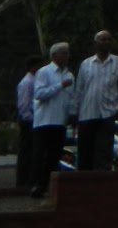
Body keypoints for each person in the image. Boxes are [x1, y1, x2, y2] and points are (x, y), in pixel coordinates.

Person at [75, 29, 118, 170]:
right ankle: (84, 181)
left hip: (107, 112)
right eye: (103, 39)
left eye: (109, 39)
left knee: (104, 150)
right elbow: (79, 89)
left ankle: (102, 180)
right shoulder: (86, 64)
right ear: (96, 43)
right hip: (87, 113)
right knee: (85, 150)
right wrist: (74, 112)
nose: (106, 42)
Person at [30, 42, 73, 199]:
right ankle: (36, 184)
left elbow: (70, 99)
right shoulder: (44, 72)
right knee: (40, 154)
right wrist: (59, 86)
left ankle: (48, 185)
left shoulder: (69, 75)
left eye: (68, 53)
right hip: (44, 121)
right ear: (55, 55)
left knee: (54, 156)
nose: (67, 56)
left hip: (60, 121)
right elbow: (39, 94)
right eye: (64, 53)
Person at [14, 56, 39, 189]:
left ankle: (28, 177)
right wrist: (29, 118)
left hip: (32, 120)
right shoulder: (27, 82)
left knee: (31, 150)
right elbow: (24, 104)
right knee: (26, 150)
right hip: (28, 121)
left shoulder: (33, 81)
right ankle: (22, 179)